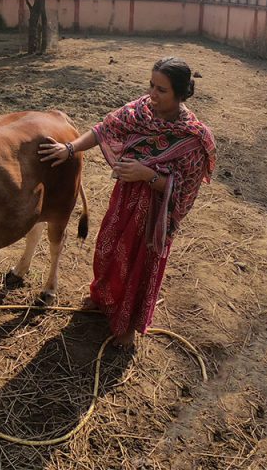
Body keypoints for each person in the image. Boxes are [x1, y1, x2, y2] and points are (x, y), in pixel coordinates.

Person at [38, 57, 216, 349]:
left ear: (181, 94)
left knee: (139, 265)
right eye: (151, 85)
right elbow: (103, 129)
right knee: (108, 249)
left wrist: (149, 176)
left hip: (155, 214)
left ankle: (128, 325)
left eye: (162, 90)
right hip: (124, 199)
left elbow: (185, 188)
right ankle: (103, 298)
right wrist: (69, 148)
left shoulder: (193, 137)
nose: (153, 95)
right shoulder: (141, 111)